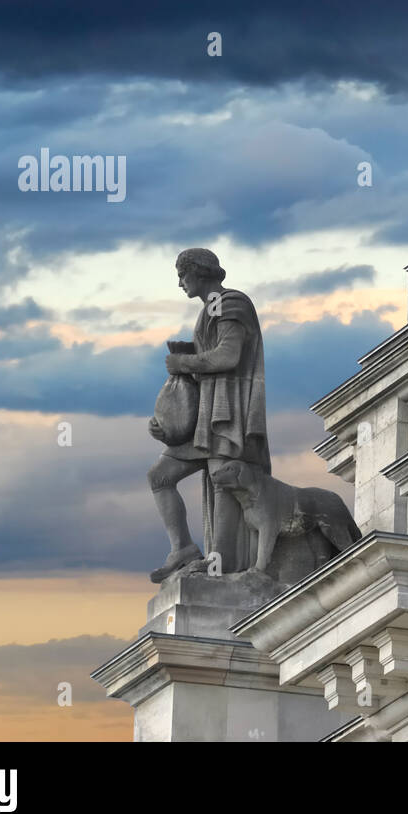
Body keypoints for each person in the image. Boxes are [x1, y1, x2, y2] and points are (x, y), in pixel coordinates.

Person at [146, 248, 270, 582]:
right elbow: (203, 376)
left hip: (228, 412)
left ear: (199, 272)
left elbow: (228, 356)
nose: (179, 283)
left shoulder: (232, 303)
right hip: (205, 417)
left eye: (182, 274)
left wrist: (182, 362)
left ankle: (220, 562)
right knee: (160, 476)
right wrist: (170, 426)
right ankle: (183, 549)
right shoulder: (209, 311)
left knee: (223, 482)